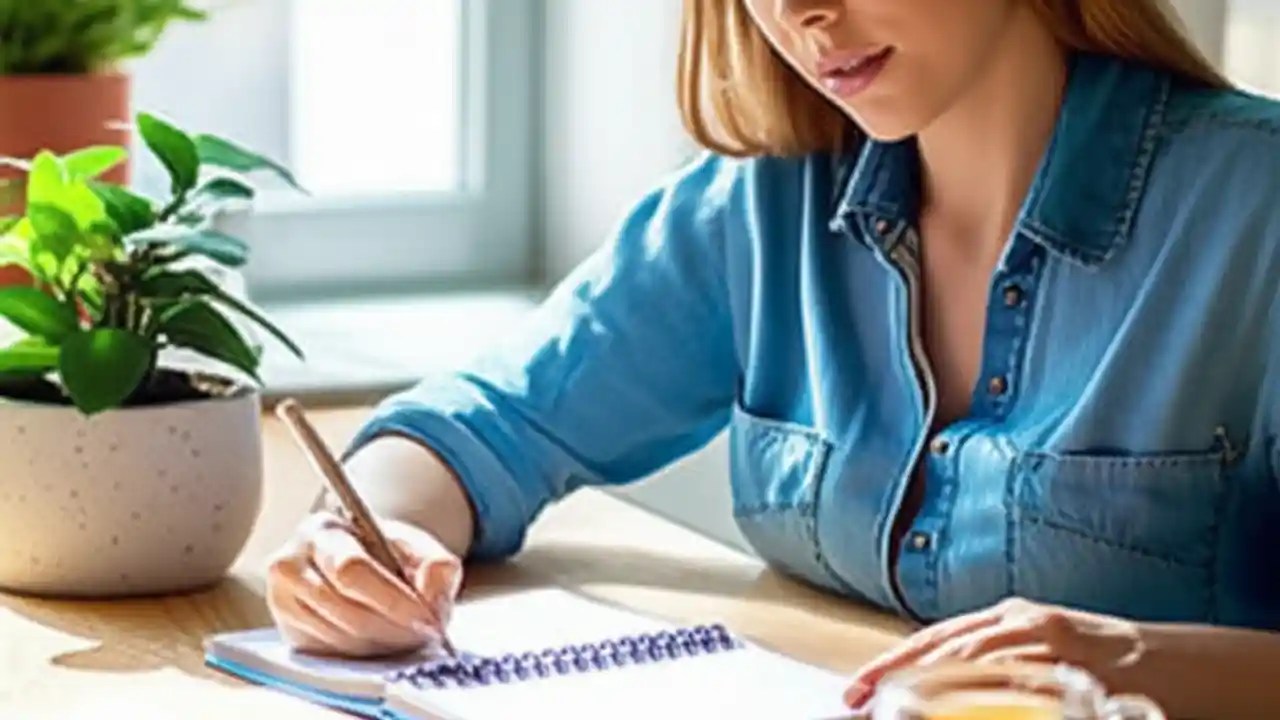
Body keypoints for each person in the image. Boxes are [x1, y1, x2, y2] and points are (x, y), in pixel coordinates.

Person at [265, 0, 1280, 716]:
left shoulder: (1256, 210)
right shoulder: (767, 203)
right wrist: (364, 543)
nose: (800, 12)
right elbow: (483, 424)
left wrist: (1132, 660)